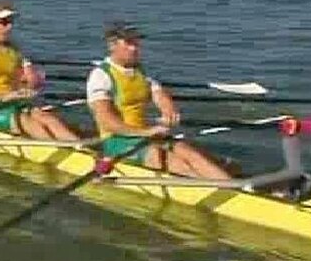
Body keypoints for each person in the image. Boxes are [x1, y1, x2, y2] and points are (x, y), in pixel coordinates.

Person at [86, 23, 232, 179]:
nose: (134, 48)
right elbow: (108, 122)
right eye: (128, 43)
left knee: (191, 153)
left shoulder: (139, 70)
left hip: (146, 136)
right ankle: (224, 193)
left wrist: (169, 111)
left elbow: (158, 93)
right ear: (112, 46)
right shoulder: (101, 76)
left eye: (136, 43)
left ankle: (237, 188)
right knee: (180, 166)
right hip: (117, 141)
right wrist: (147, 132)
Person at [0, 0, 79, 140]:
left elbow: (31, 79)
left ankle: (81, 149)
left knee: (49, 119)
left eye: (10, 22)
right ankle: (58, 152)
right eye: (3, 22)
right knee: (31, 124)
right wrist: (5, 97)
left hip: (16, 105)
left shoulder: (15, 50)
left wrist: (31, 85)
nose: (9, 27)